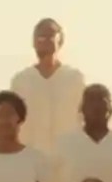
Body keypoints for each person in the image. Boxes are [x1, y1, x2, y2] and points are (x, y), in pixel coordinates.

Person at [10, 18, 86, 156]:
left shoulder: (74, 79)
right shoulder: (21, 81)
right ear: (33, 42)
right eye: (40, 37)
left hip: (68, 159)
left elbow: (84, 120)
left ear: (60, 40)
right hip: (30, 159)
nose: (44, 40)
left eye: (50, 36)